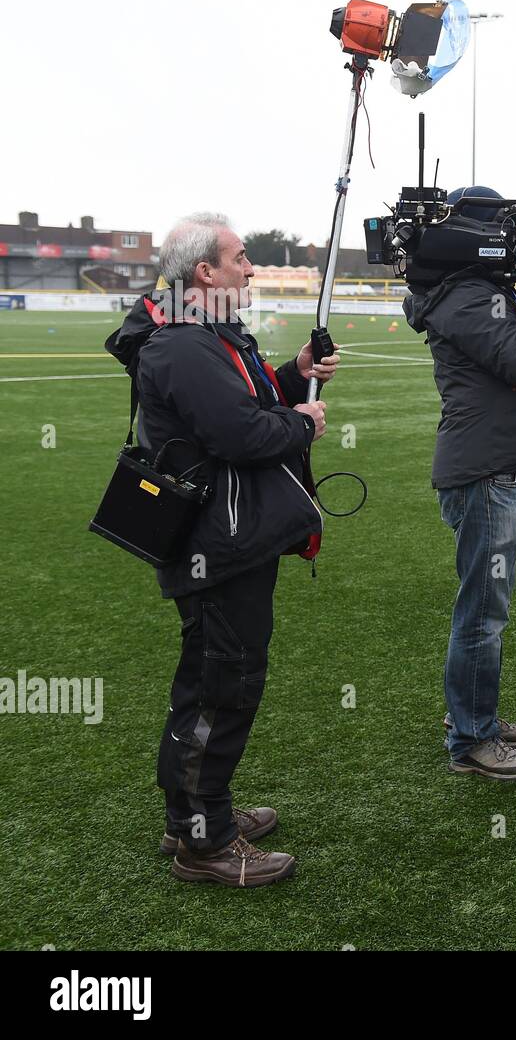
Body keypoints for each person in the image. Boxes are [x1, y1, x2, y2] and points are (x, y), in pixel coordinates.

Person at [107, 211, 336, 886]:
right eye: (240, 257)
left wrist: (293, 379)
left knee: (214, 680)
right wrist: (300, 424)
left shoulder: (207, 334)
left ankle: (194, 817)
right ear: (204, 272)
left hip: (228, 537)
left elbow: (246, 403)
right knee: (222, 686)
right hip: (218, 542)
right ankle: (204, 842)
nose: (251, 267)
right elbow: (242, 436)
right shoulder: (182, 345)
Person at [403, 187, 516, 781]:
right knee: (483, 611)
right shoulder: (465, 297)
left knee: (485, 606)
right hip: (485, 473)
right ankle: (471, 740)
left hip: (502, 465)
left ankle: (473, 715)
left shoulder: (484, 291)